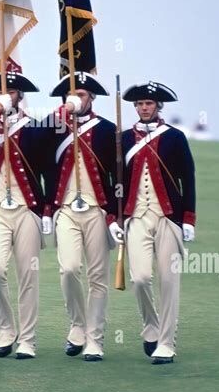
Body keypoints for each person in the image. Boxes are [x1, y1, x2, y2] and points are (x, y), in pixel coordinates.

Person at [0, 70, 52, 360]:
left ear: (21, 96)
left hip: (27, 208)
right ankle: (6, 329)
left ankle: (28, 339)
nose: (8, 96)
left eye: (13, 92)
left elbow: (48, 169)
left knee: (28, 274)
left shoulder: (34, 128)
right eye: (2, 93)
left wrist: (47, 210)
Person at [115, 81, 196, 365]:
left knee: (168, 280)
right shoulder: (124, 139)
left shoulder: (174, 137)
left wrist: (188, 218)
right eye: (139, 104)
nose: (144, 108)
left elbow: (188, 177)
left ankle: (166, 342)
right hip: (136, 217)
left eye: (148, 103)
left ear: (158, 106)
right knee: (139, 279)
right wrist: (115, 217)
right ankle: (151, 326)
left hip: (168, 217)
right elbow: (118, 182)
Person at [47, 71, 117, 362]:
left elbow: (117, 175)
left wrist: (115, 216)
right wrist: (65, 111)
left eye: (82, 95)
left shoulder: (106, 129)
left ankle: (95, 338)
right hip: (65, 209)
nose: (77, 99)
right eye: (71, 95)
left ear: (93, 99)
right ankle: (77, 324)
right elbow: (36, 143)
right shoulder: (55, 127)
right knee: (69, 269)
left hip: (97, 210)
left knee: (98, 276)